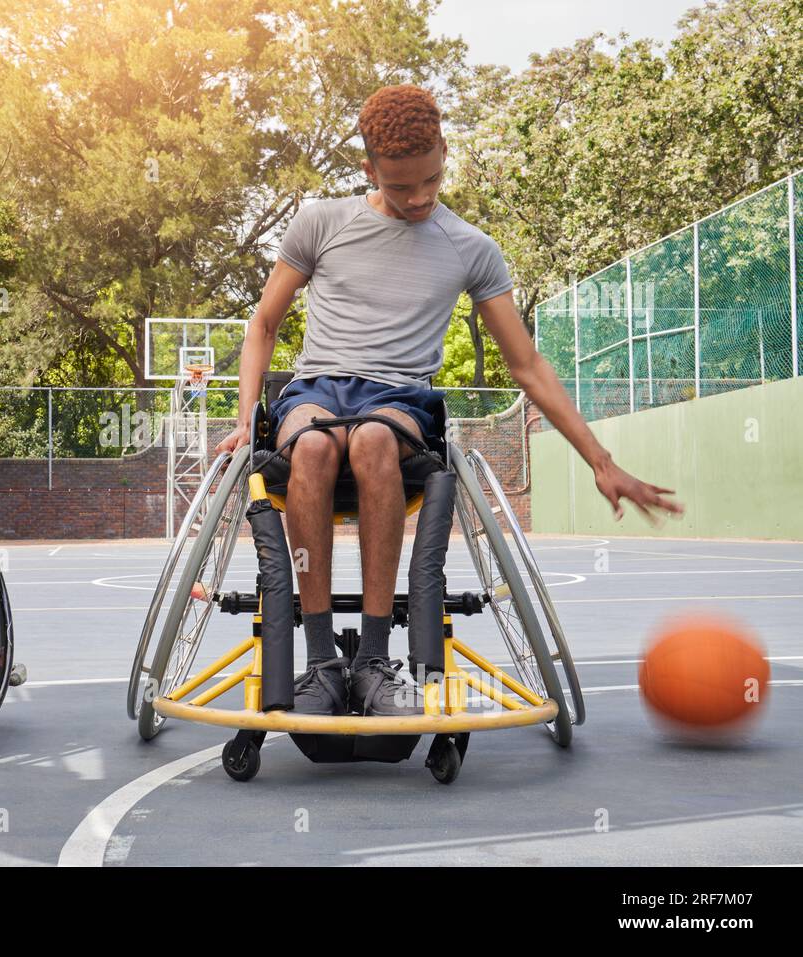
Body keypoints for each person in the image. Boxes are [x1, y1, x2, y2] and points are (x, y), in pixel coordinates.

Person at [216, 85, 684, 718]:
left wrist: (599, 459)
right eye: (403, 186)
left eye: (432, 179)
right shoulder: (321, 222)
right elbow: (265, 325)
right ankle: (324, 661)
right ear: (369, 170)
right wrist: (247, 417)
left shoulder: (471, 248)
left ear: (443, 150)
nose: (420, 197)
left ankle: (376, 659)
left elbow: (528, 364)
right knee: (315, 445)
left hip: (399, 398)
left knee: (375, 438)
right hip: (318, 389)